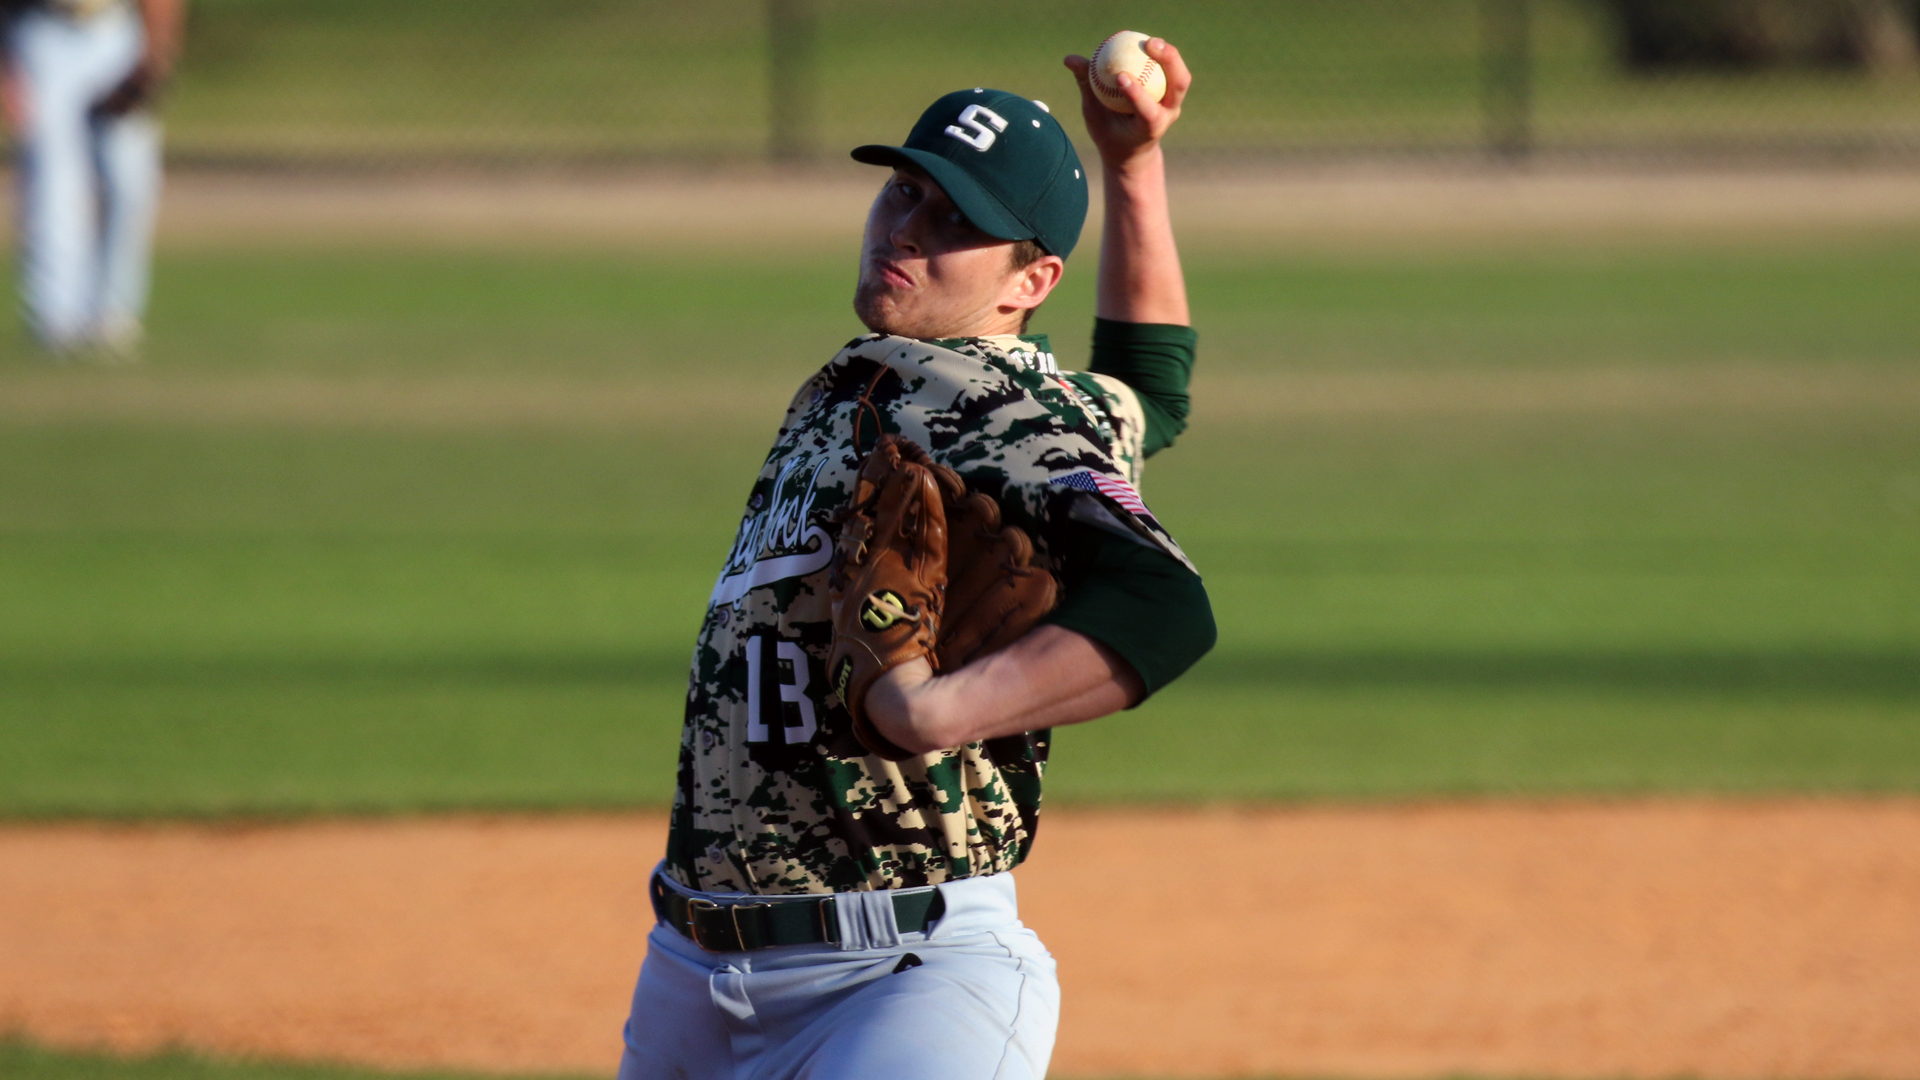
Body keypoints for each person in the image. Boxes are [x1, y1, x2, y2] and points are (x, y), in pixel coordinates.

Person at [619, 38, 1213, 1080]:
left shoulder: (981, 398)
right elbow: (1146, 394)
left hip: (900, 978)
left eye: (955, 222)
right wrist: (1131, 168)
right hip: (690, 979)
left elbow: (1165, 602)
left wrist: (939, 712)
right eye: (903, 192)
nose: (907, 229)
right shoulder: (978, 392)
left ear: (1033, 278)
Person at [3, 0, 184, 359]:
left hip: (115, 32)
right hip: (43, 30)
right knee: (52, 181)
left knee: (129, 179)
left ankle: (113, 314)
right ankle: (56, 317)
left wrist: (157, 55)